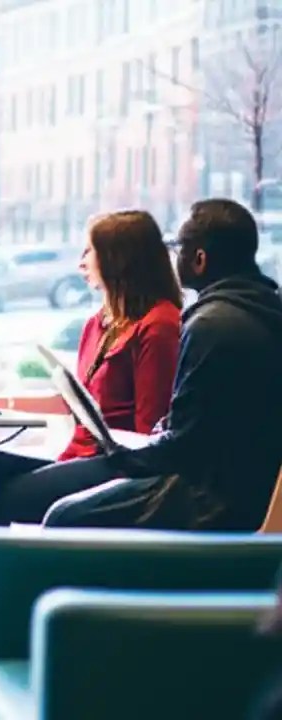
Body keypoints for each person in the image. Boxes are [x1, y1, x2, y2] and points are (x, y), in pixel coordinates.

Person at [0, 210, 182, 557]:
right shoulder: (99, 323)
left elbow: (150, 432)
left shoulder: (159, 326)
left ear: (117, 257)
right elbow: (80, 399)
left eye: (89, 251)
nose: (80, 263)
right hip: (79, 455)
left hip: (118, 464)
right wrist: (7, 401)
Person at [39, 198, 282, 531]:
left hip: (214, 503)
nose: (171, 254)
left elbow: (182, 450)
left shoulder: (210, 325)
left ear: (200, 259)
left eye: (177, 246)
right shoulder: (264, 310)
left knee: (64, 516)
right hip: (253, 492)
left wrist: (123, 455)